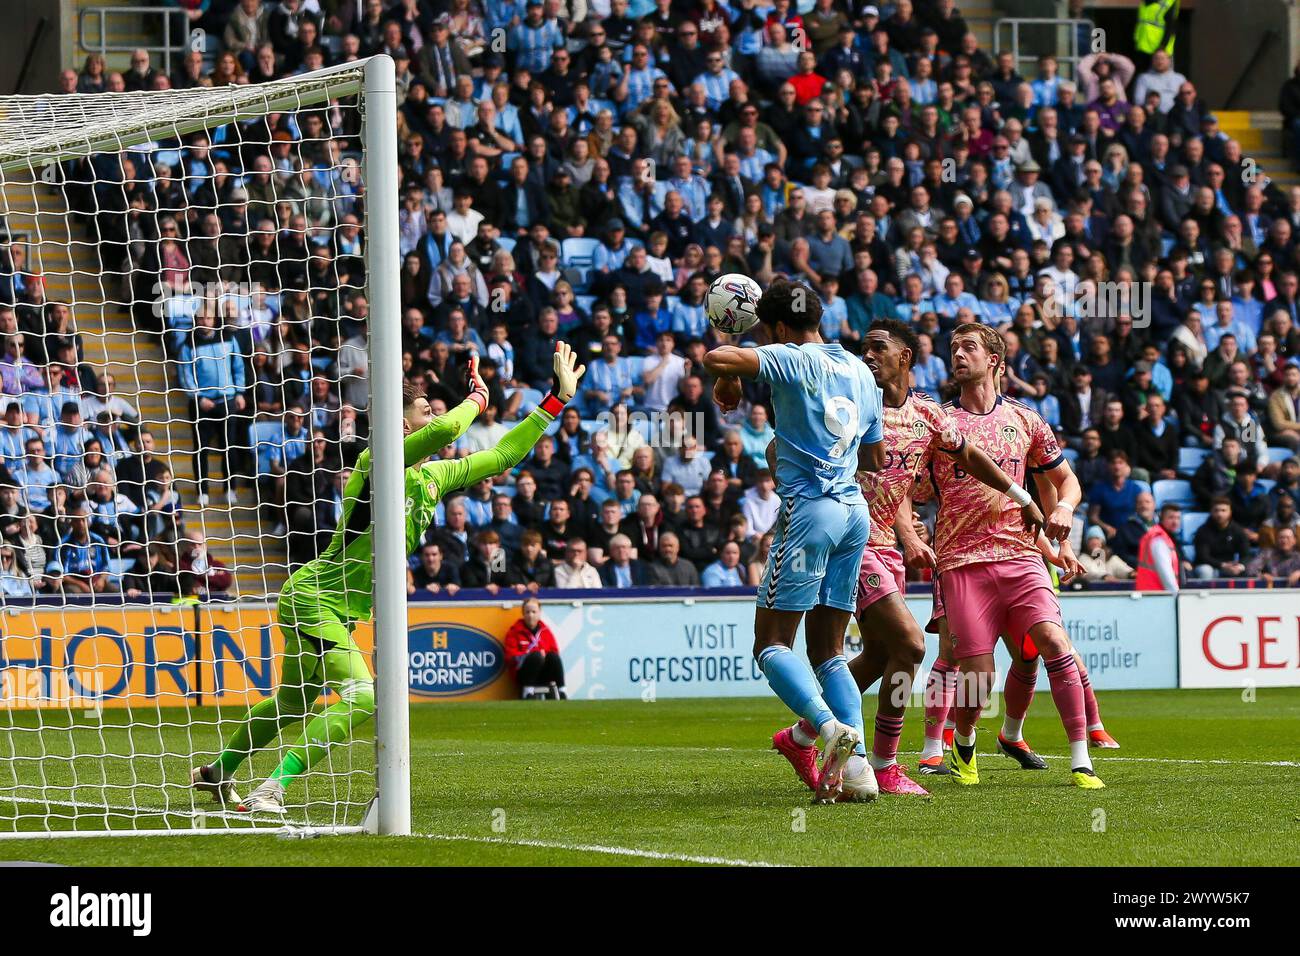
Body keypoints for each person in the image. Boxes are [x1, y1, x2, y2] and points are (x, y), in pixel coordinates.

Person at [195, 347, 586, 815]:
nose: (436, 415)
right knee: (363, 697)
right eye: (426, 410)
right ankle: (273, 787)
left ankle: (217, 772)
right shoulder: (376, 462)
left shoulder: (434, 478)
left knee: (292, 705)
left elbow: (504, 453)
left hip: (337, 605)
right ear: (402, 426)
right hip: (316, 596)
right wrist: (478, 399)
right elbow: (447, 428)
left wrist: (557, 399)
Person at [773, 319, 1044, 796]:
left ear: (907, 358)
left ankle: (802, 736)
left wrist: (1020, 495)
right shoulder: (851, 403)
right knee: (913, 645)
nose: (868, 355)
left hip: (886, 548)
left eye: (879, 348)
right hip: (848, 540)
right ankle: (883, 764)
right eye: (864, 348)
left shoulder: (928, 415)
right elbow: (780, 445)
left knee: (882, 655)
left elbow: (971, 456)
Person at [703, 277, 885, 803]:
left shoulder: (789, 356)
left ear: (779, 327)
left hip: (810, 514)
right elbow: (873, 457)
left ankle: (827, 728)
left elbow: (719, 358)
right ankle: (859, 775)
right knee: (829, 651)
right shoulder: (859, 369)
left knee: (771, 644)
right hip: (855, 513)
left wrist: (733, 374)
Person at [923, 322, 1104, 789]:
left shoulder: (1026, 420)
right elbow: (907, 486)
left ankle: (1081, 760)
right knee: (978, 673)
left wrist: (1063, 509)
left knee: (1054, 644)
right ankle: (962, 739)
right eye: (953, 347)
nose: (958, 354)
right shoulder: (939, 424)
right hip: (961, 559)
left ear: (995, 362)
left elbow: (1067, 480)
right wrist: (903, 529)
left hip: (1021, 554)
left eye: (968, 347)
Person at [503, 597, 567, 699]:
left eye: (534, 612)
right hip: (523, 674)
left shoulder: (545, 631)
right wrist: (530, 655)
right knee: (536, 656)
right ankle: (528, 691)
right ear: (523, 614)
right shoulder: (514, 632)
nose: (530, 615)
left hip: (544, 673)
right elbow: (510, 657)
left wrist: (544, 655)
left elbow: (554, 651)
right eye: (527, 612)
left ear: (539, 613)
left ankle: (562, 691)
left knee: (553, 656)